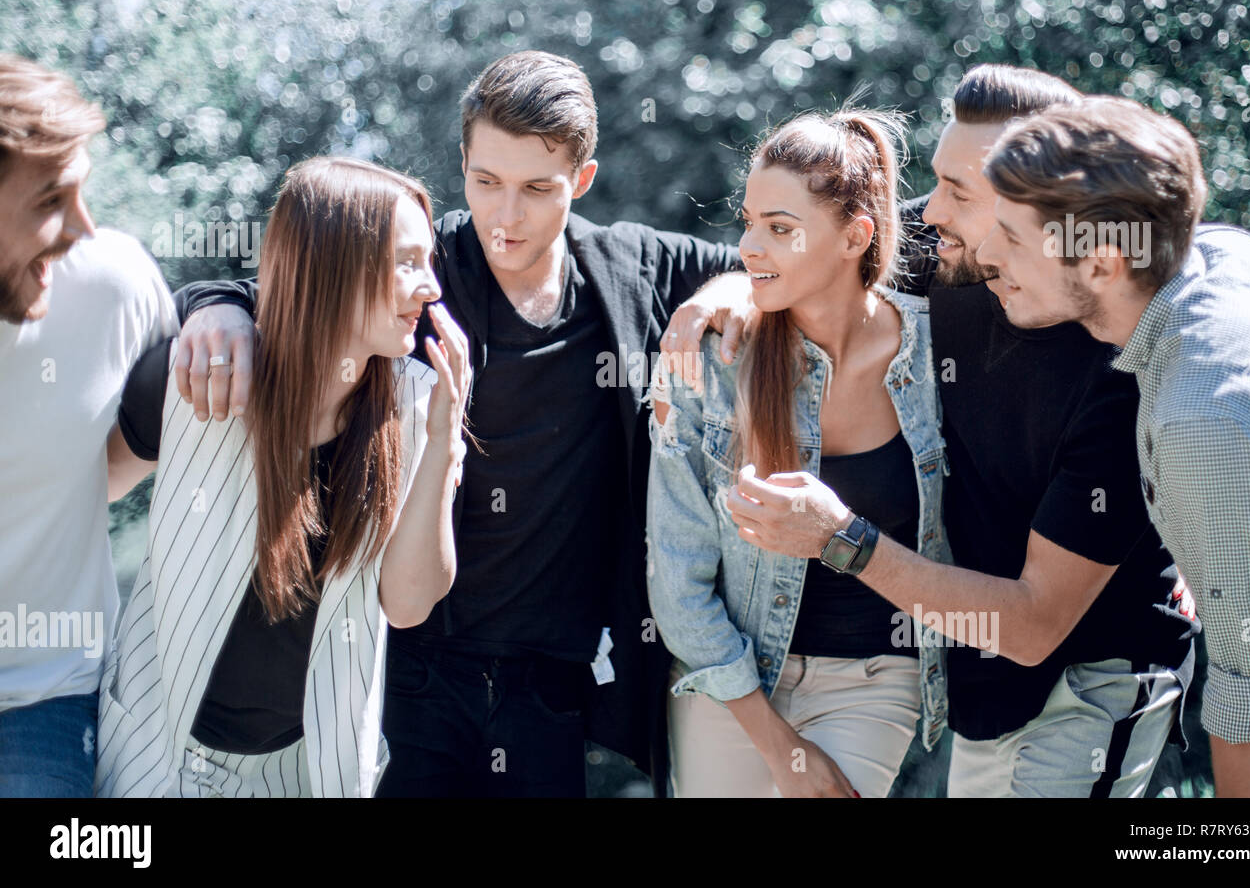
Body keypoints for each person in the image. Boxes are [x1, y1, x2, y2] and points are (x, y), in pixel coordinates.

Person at [163, 51, 751, 796]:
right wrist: (215, 304)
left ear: (584, 179)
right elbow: (291, 288)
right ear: (464, 162)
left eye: (538, 189)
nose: (506, 215)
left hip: (553, 679)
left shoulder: (631, 267)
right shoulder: (420, 265)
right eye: (485, 182)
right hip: (405, 662)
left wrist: (723, 292)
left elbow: (758, 267)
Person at [671, 64, 1197, 797]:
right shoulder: (947, 249)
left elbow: (1032, 624)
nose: (928, 211)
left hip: (1085, 683)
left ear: (1038, 208)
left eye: (960, 190)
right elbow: (817, 248)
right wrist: (726, 290)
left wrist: (840, 539)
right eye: (939, 181)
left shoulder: (1119, 372)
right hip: (988, 687)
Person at [94, 156, 470, 797]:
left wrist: (441, 442)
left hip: (303, 770)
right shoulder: (202, 371)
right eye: (407, 262)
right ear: (333, 264)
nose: (431, 287)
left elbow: (408, 605)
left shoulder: (418, 403)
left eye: (428, 261)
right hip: (152, 749)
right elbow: (85, 495)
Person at [976, 95, 1250, 797]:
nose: (984, 252)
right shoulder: (1215, 254)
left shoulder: (1201, 424)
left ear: (1102, 264)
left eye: (1010, 235)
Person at [647, 108, 950, 798]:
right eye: (749, 220)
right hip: (730, 682)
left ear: (855, 235)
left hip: (877, 679)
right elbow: (677, 578)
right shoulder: (712, 363)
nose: (750, 246)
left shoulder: (938, 354)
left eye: (780, 229)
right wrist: (782, 747)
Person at [0, 53, 178, 797]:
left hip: (44, 698)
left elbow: (114, 464)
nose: (83, 227)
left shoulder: (112, 282)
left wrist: (228, 308)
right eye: (51, 200)